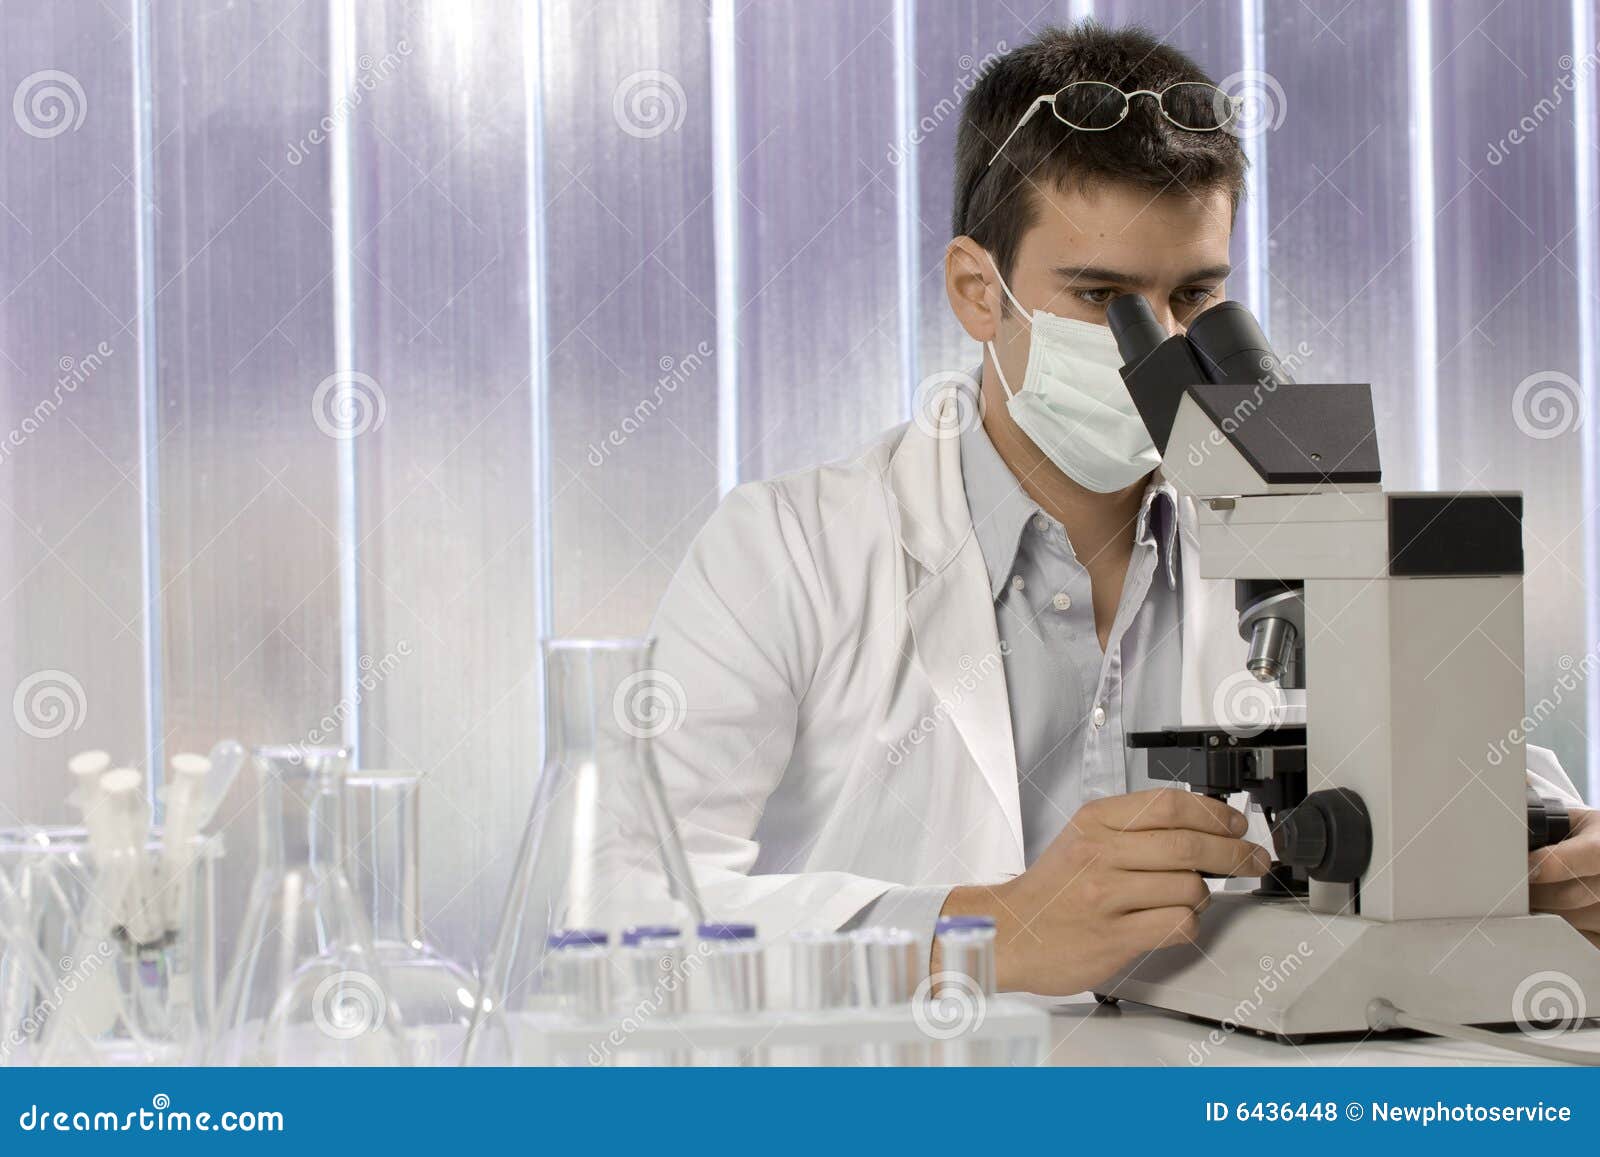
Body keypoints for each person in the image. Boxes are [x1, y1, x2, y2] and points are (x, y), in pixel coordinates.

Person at [648, 22, 1600, 995]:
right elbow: (625, 908)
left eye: (1195, 295)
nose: (1163, 344)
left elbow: (1484, 789)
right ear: (978, 292)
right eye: (1104, 297)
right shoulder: (786, 551)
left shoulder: (1287, 525)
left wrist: (1555, 871)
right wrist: (985, 935)